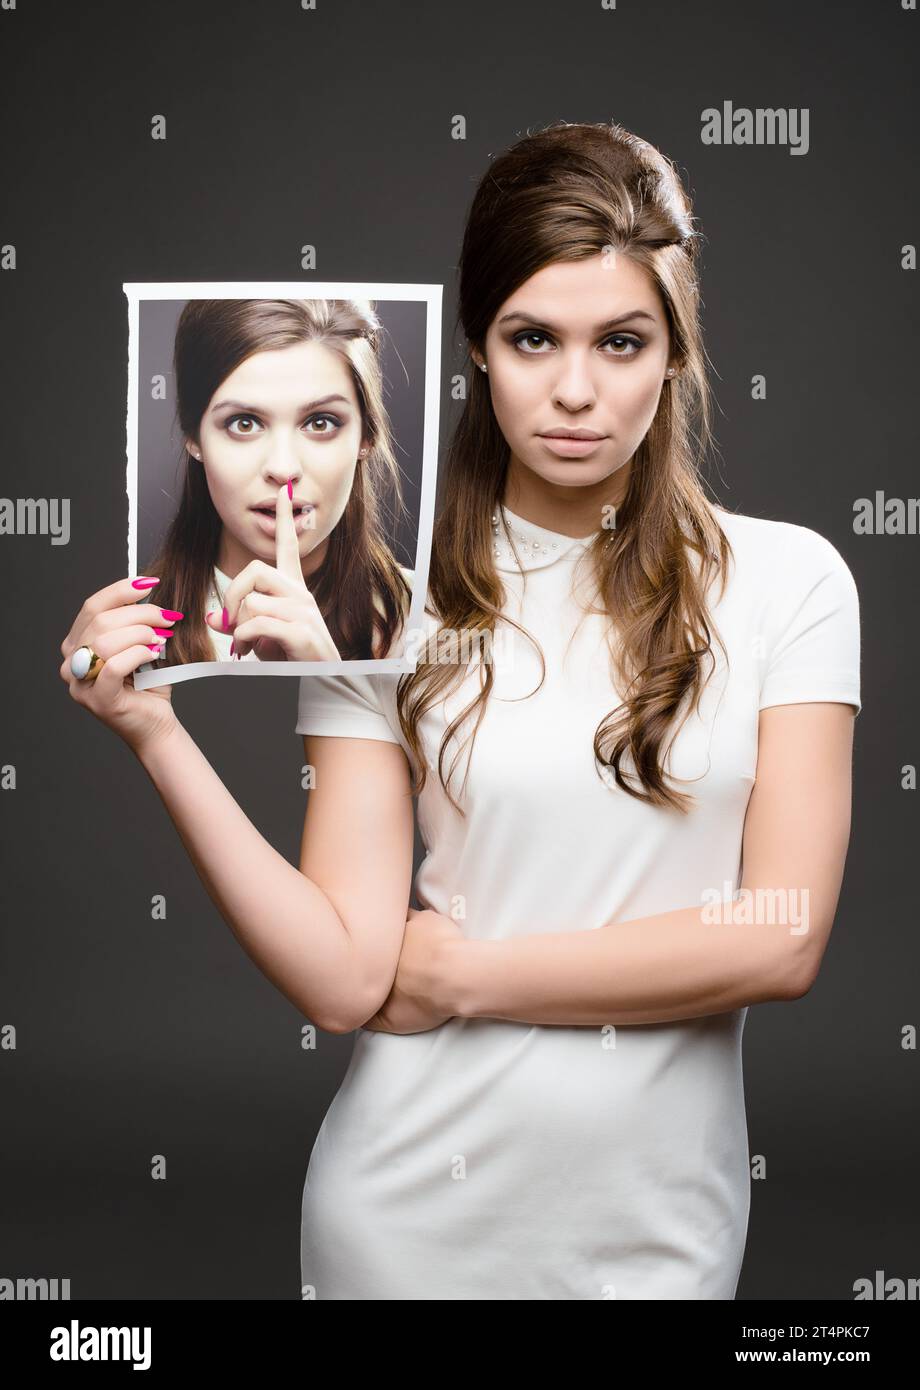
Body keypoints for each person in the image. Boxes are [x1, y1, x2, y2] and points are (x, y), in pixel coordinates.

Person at [60, 119, 861, 1301]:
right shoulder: (389, 599)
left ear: (676, 353)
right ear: (478, 348)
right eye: (532, 338)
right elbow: (342, 977)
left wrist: (468, 974)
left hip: (658, 1233)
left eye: (620, 341)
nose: (575, 390)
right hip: (403, 1229)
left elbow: (780, 935)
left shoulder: (792, 581)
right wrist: (155, 733)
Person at [137, 297, 412, 667]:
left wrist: (329, 676)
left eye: (320, 422)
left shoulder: (432, 619)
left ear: (366, 437)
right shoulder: (140, 633)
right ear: (194, 438)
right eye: (244, 423)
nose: (283, 469)